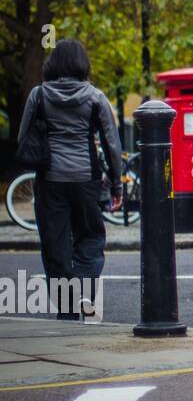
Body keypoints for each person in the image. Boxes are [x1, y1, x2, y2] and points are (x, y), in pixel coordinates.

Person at [15, 39, 122, 322]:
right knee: (91, 237)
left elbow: (22, 138)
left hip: (50, 180)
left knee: (55, 246)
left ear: (53, 64)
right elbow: (111, 143)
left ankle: (68, 309)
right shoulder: (96, 97)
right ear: (82, 64)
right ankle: (84, 286)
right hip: (86, 179)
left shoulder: (38, 95)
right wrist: (116, 183)